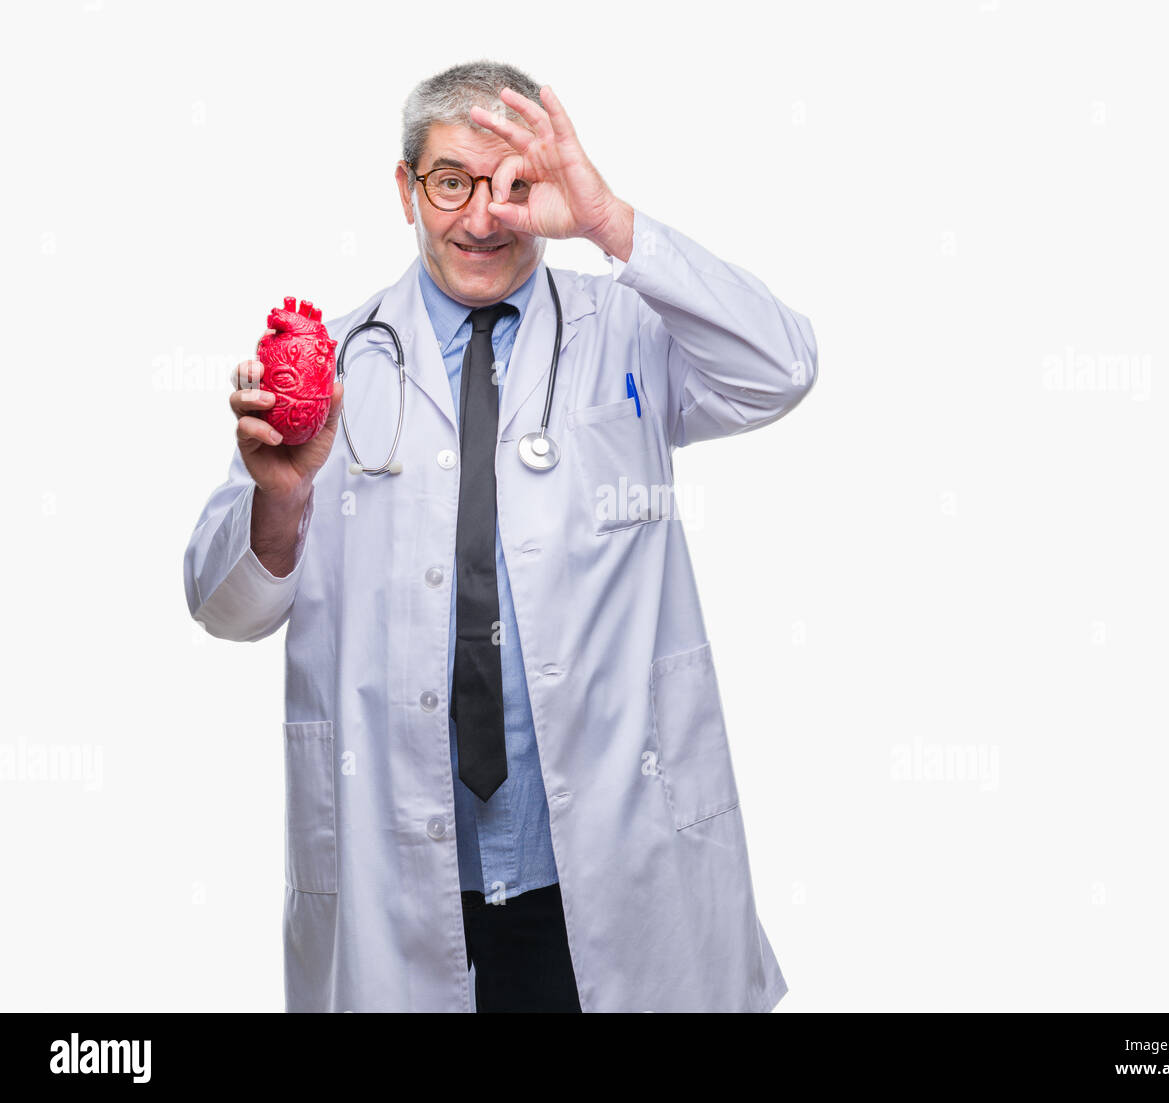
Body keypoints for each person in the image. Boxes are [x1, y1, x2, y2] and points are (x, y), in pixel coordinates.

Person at [183, 59, 817, 1012]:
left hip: (610, 859)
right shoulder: (339, 364)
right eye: (452, 183)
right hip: (406, 869)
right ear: (406, 189)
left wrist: (610, 223)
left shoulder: (629, 331)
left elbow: (783, 366)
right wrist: (280, 497)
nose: (483, 217)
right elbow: (220, 604)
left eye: (514, 185)